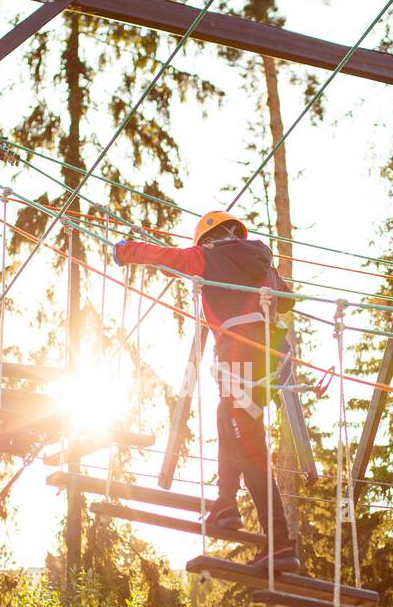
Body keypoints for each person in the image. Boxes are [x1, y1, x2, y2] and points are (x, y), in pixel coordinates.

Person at [113, 211, 299, 573]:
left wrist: (125, 251)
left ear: (208, 239)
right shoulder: (263, 262)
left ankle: (280, 544)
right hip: (270, 360)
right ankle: (226, 504)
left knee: (248, 444)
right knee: (228, 418)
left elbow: (164, 258)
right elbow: (287, 300)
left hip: (240, 357)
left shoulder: (206, 257)